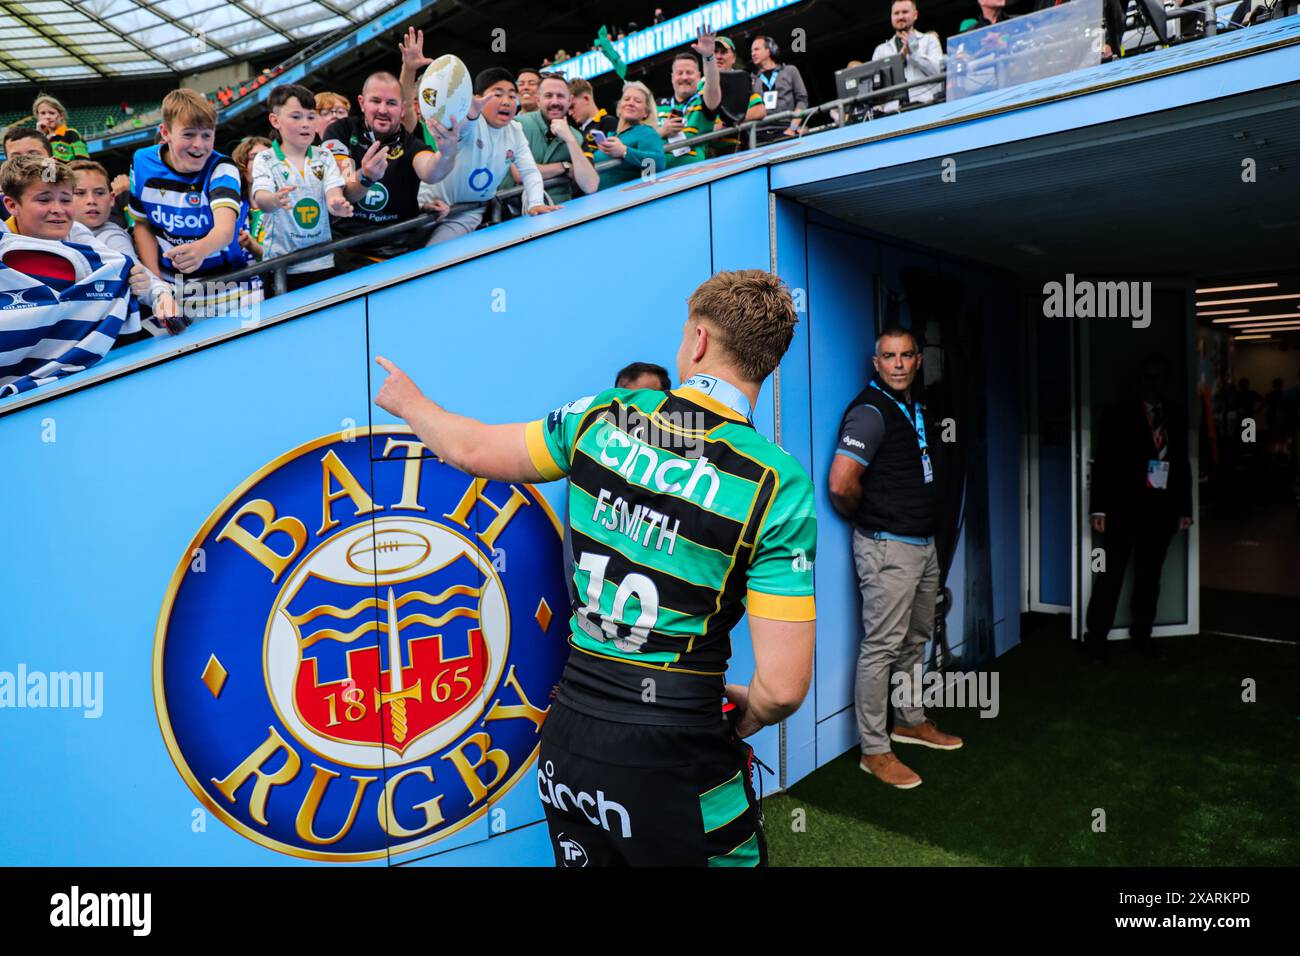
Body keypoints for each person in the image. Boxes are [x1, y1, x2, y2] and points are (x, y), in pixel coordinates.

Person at [372, 269, 817, 866]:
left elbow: (470, 448)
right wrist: (750, 713)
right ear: (767, 362)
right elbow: (783, 689)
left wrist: (410, 402)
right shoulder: (775, 482)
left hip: (573, 733)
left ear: (699, 342)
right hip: (676, 744)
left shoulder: (602, 415)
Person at [829, 327, 962, 791]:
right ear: (876, 363)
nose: (900, 364)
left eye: (907, 355)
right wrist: (871, 518)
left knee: (916, 638)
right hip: (888, 545)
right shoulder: (869, 411)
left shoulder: (913, 406)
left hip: (922, 545)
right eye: (890, 356)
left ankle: (908, 720)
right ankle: (874, 749)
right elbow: (841, 484)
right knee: (882, 647)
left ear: (918, 361)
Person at [0, 155, 177, 396]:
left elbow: (122, 264)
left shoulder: (77, 232)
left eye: (66, 199)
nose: (58, 210)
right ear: (11, 205)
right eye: (44, 199)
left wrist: (159, 293)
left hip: (70, 382)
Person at [1084, 354, 1193, 664]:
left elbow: (1181, 463)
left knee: (1150, 577)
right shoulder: (1118, 413)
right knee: (1110, 577)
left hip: (1161, 511)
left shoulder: (1174, 414)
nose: (1153, 382)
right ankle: (1096, 640)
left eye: (1159, 376)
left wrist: (1184, 508)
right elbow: (1103, 461)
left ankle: (1142, 634)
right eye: (1148, 376)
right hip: (1122, 510)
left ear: (1165, 380)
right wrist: (1099, 509)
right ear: (1139, 379)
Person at [127, 88, 261, 320]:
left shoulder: (223, 168)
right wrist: (157, 285)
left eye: (207, 135)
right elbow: (143, 225)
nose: (199, 145)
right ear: (165, 132)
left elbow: (225, 230)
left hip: (229, 290)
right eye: (189, 135)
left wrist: (200, 250)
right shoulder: (141, 162)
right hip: (173, 295)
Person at [321, 71, 457, 265]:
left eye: (391, 103)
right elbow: (344, 191)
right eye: (375, 101)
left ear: (402, 108)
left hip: (394, 253)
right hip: (343, 250)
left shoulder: (411, 144)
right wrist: (366, 177)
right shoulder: (340, 130)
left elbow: (432, 172)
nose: (383, 110)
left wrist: (446, 154)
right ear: (362, 103)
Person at [417, 67, 561, 245]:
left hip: (466, 213)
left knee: (437, 257)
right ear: (478, 99)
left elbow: (530, 171)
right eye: (497, 94)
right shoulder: (469, 122)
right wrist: (471, 114)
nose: (507, 101)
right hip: (427, 208)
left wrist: (535, 203)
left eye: (511, 95)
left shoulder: (515, 131)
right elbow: (463, 128)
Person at [251, 84, 353, 293]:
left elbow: (333, 193)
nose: (306, 124)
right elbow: (262, 199)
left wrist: (338, 205)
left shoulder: (324, 156)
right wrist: (274, 200)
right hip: (281, 271)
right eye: (296, 117)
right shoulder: (265, 159)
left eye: (311, 116)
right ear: (275, 121)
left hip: (323, 262)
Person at [510, 73, 599, 204]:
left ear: (570, 100)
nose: (555, 102)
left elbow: (590, 185)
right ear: (538, 100)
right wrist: (565, 167)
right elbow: (519, 174)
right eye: (548, 96)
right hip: (521, 215)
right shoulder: (518, 125)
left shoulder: (576, 136)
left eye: (561, 96)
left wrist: (569, 139)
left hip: (563, 212)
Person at [655, 31, 722, 169]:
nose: (684, 77)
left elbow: (713, 86)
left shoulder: (703, 102)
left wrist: (708, 57)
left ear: (698, 76)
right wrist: (662, 131)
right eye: (680, 73)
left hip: (693, 176)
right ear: (672, 78)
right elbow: (642, 141)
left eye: (689, 73)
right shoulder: (657, 105)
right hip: (658, 179)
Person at [590, 81, 666, 190]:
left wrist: (624, 151)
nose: (630, 103)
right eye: (626, 99)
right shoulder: (610, 136)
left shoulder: (646, 132)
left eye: (637, 101)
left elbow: (658, 163)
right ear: (620, 107)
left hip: (626, 200)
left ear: (646, 113)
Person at [871, 1, 944, 109]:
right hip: (892, 114)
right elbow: (874, 88)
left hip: (927, 106)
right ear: (891, 16)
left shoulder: (930, 40)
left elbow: (938, 72)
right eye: (896, 13)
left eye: (905, 12)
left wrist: (914, 54)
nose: (900, 16)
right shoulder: (881, 50)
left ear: (915, 15)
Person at [710, 36, 765, 156]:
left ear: (733, 58)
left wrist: (726, 123)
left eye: (723, 52)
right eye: (715, 52)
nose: (718, 56)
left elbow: (759, 110)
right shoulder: (701, 84)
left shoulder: (741, 81)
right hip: (707, 155)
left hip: (737, 152)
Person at [68, 159, 134, 257]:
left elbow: (136, 269)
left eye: (99, 193)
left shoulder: (114, 238)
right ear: (63, 199)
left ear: (112, 199)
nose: (91, 200)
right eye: (80, 193)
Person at [750, 35, 808, 143]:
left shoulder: (790, 71)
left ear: (769, 50)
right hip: (759, 134)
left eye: (756, 49)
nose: (753, 54)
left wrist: (792, 128)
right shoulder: (751, 79)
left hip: (785, 129)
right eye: (752, 51)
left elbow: (802, 101)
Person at [232, 136, 273, 261]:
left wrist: (251, 245)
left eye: (266, 157)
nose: (261, 163)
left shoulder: (288, 203)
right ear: (242, 166)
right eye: (253, 157)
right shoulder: (232, 210)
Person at [568, 78, 618, 158]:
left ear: (586, 99)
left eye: (572, 106)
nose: (570, 113)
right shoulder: (575, 132)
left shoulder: (608, 122)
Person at [33, 93, 90, 163]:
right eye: (43, 113)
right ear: (38, 116)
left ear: (61, 116)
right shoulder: (40, 138)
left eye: (51, 113)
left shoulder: (71, 134)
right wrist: (39, 136)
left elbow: (83, 160)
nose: (47, 116)